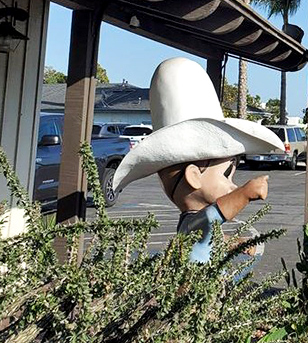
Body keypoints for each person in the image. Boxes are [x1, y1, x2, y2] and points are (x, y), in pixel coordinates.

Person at [112, 57, 284, 263]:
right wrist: (245, 193)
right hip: (194, 294)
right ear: (194, 176)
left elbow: (211, 239)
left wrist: (235, 243)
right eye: (226, 175)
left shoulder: (192, 225)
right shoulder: (194, 221)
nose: (232, 185)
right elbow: (215, 215)